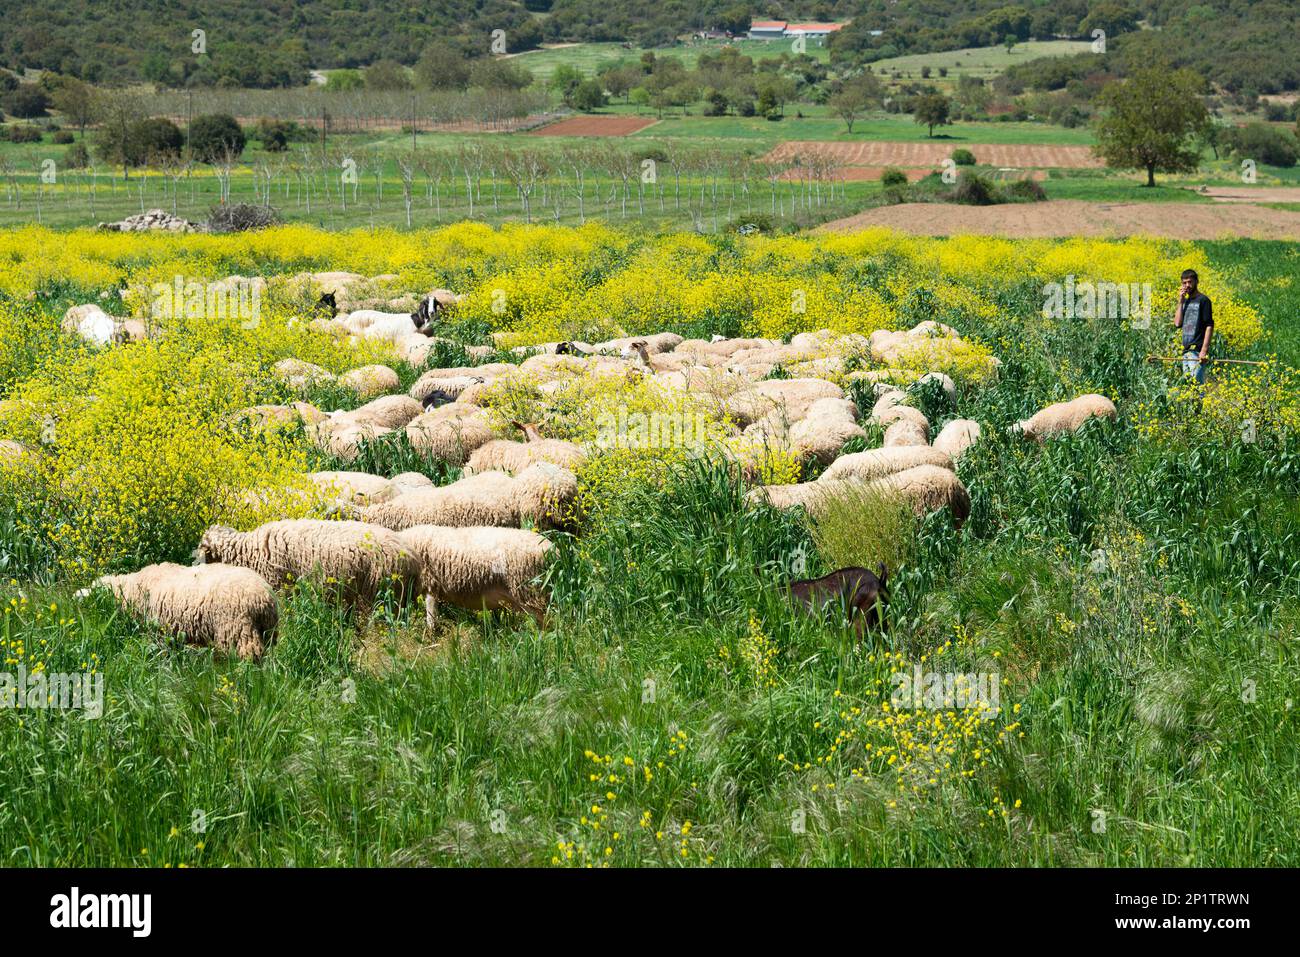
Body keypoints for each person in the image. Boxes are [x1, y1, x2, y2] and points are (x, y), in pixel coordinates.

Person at [1173, 269, 1213, 384]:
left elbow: (1209, 326)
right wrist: (1181, 301)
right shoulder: (1184, 302)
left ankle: (1201, 402)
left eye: (1190, 282)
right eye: (1184, 283)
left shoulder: (1204, 300)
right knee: (1188, 386)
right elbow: (1177, 323)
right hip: (1186, 350)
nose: (1187, 285)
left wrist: (1204, 351)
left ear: (1196, 282)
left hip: (1197, 351)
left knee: (1197, 385)